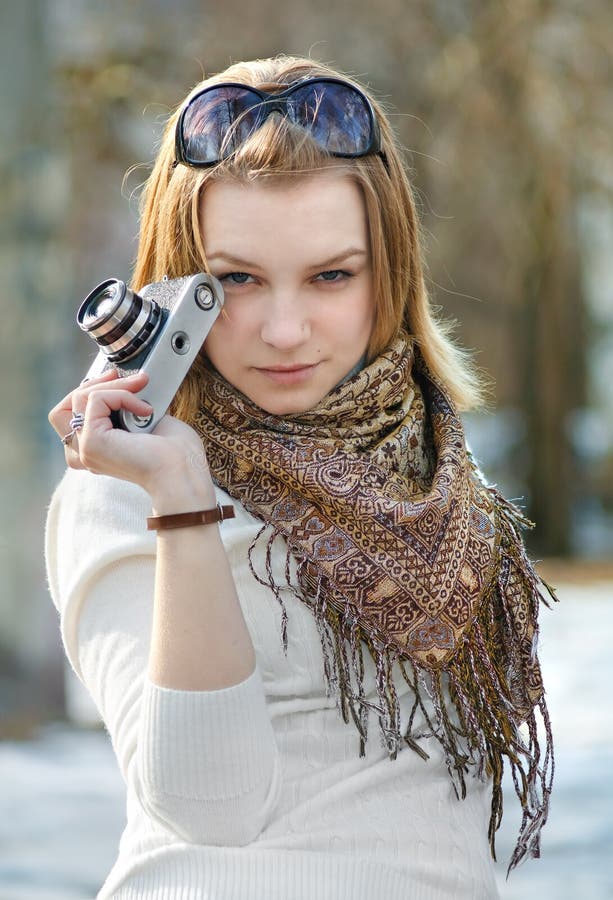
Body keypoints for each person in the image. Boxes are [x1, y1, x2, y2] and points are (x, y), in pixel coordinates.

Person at [46, 54, 554, 900]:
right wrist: (180, 502)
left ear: (388, 271)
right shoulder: (122, 483)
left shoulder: (425, 462)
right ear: (179, 282)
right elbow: (207, 807)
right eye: (235, 280)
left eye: (330, 275)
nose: (284, 330)